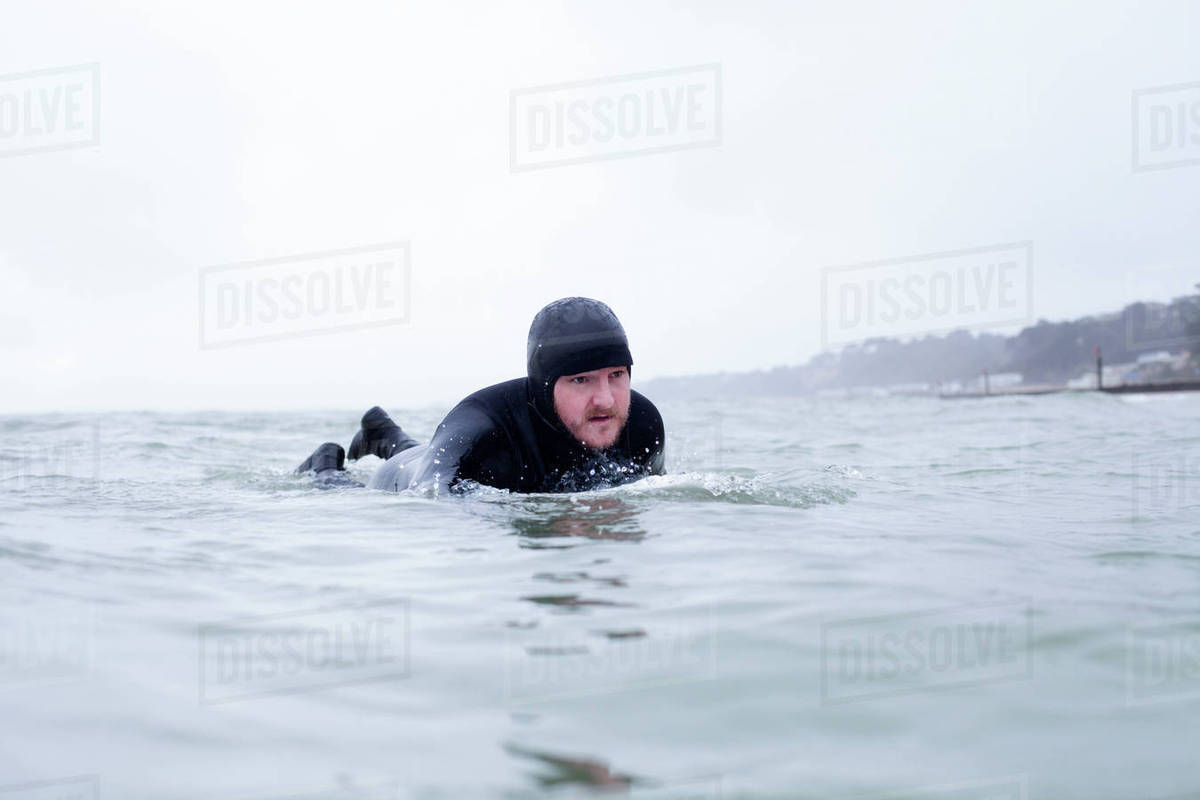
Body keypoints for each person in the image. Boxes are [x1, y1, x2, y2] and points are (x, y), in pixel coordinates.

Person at [296, 297, 665, 494]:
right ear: (544, 384)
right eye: (581, 380)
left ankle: (383, 433)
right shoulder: (482, 422)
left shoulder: (642, 424)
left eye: (616, 375)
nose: (605, 400)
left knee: (419, 447)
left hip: (439, 455)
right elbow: (427, 494)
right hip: (404, 475)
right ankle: (327, 460)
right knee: (337, 488)